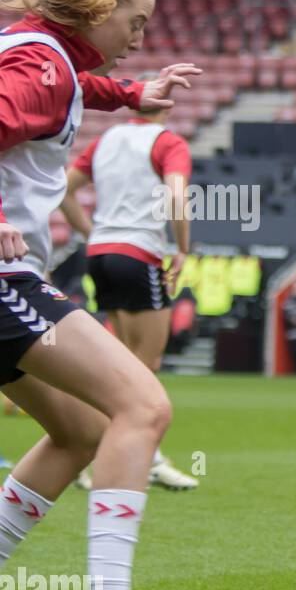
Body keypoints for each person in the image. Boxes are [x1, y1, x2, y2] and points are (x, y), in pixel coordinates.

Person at [0, 0, 202, 590]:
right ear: (95, 7)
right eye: (136, 24)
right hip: (3, 280)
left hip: (17, 280)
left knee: (81, 430)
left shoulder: (35, 50)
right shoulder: (42, 63)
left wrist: (130, 93)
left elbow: (63, 90)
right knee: (143, 406)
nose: (138, 39)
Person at [60, 81, 198, 490]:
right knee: (146, 367)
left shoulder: (105, 139)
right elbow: (177, 196)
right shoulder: (168, 142)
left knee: (123, 366)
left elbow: (63, 190)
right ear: (167, 107)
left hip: (101, 255)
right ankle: (143, 459)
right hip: (139, 255)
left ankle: (99, 453)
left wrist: (91, 233)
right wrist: (183, 248)